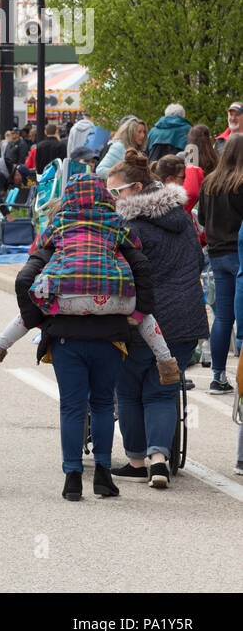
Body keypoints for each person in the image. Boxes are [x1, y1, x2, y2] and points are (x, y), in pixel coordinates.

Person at [12, 173, 156, 500]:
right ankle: (103, 475)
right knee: (104, 404)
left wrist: (39, 320)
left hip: (66, 338)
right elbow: (143, 269)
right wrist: (137, 313)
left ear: (68, 198)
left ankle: (72, 477)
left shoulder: (57, 230)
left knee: (72, 407)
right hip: (111, 336)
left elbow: (25, 279)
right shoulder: (117, 229)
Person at [0, 165, 179, 377]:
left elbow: (39, 251)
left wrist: (33, 315)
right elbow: (136, 248)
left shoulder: (59, 224)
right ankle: (167, 364)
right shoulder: (115, 223)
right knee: (145, 318)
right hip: (114, 300)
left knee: (31, 309)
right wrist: (138, 311)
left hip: (66, 299)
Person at [108, 151, 208, 486]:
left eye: (116, 192)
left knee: (129, 388)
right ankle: (159, 459)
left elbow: (122, 275)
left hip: (142, 320)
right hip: (184, 316)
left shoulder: (129, 227)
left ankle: (136, 460)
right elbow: (199, 263)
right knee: (163, 390)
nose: (114, 199)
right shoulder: (183, 219)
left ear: (135, 188)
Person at [197, 134, 243, 394]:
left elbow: (202, 218)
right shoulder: (241, 183)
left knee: (223, 317)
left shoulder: (210, 182)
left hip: (216, 253)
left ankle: (218, 375)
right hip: (239, 251)